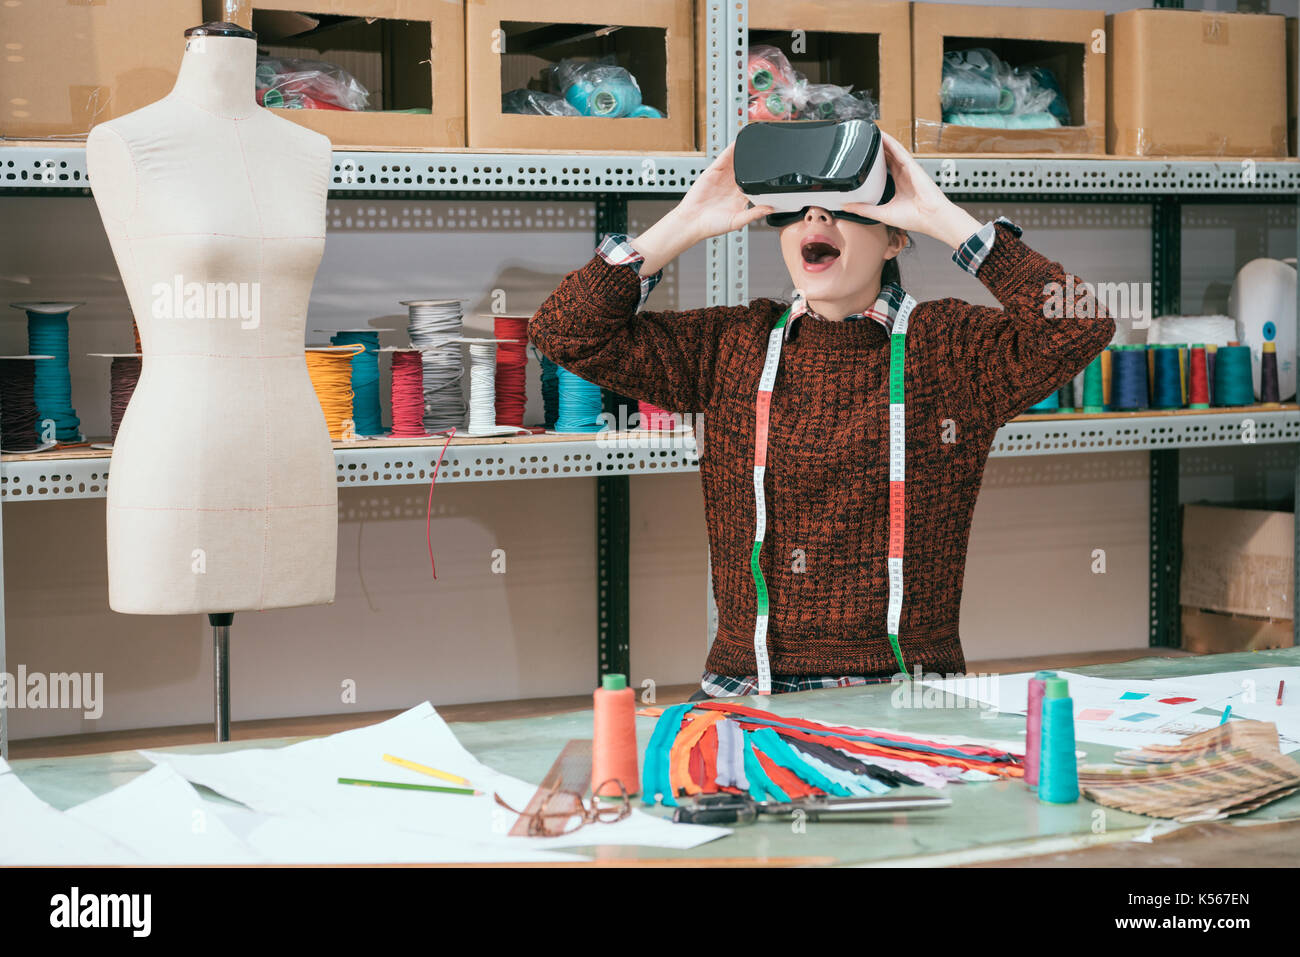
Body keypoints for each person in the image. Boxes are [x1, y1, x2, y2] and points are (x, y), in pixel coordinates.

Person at [530, 130, 1114, 699]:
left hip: (908, 697)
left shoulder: (950, 350)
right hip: (747, 689)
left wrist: (941, 216)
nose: (815, 221)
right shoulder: (731, 346)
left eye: (842, 207)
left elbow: (1081, 321)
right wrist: (687, 220)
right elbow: (564, 331)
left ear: (895, 238)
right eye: (797, 210)